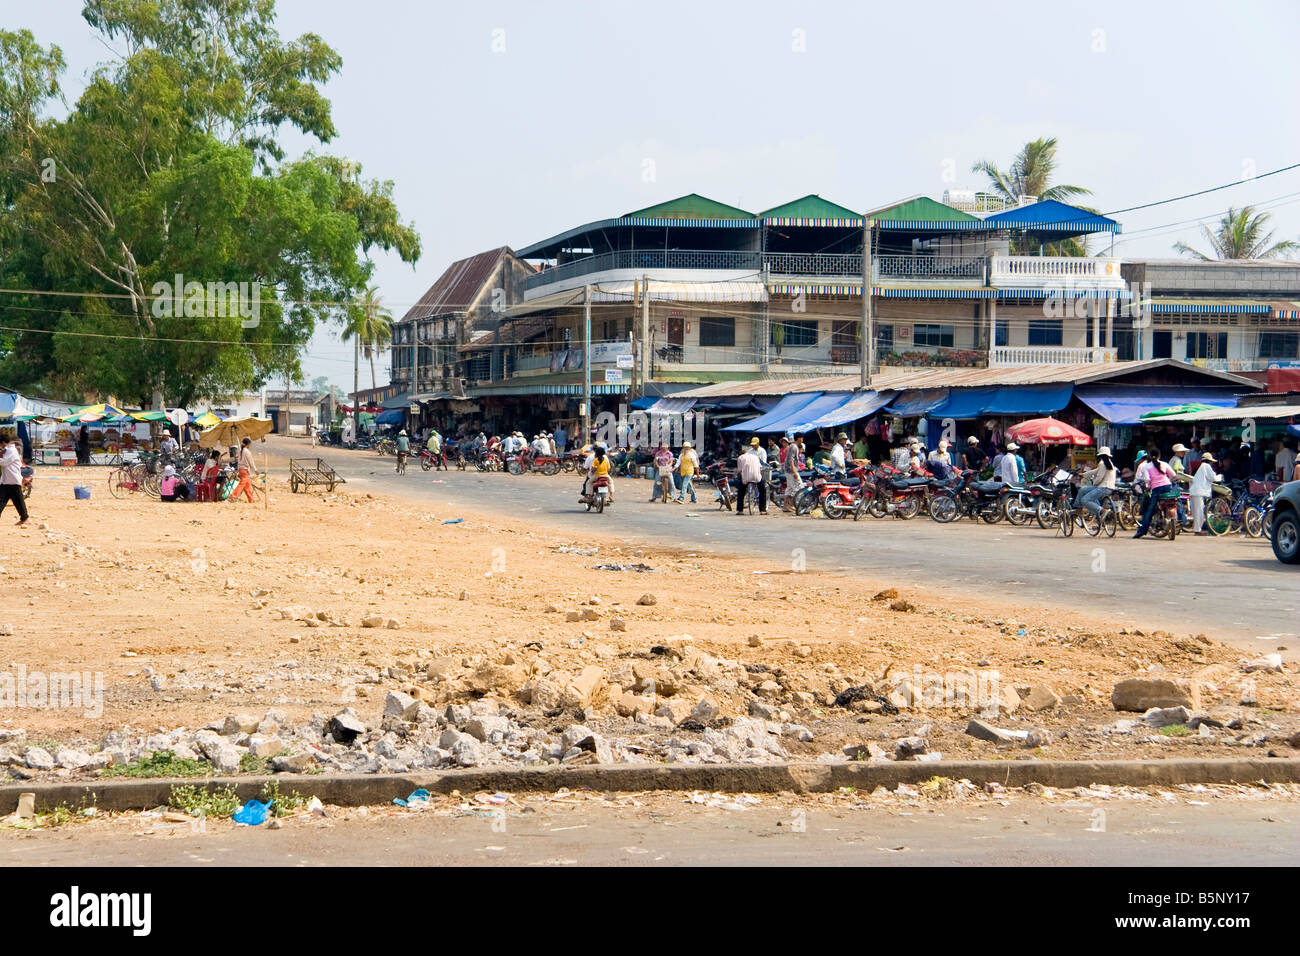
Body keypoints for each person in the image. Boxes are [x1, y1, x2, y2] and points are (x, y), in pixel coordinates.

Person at [1133, 447, 1178, 539]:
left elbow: (1147, 479)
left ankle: (1141, 531)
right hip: (1167, 487)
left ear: (1150, 456)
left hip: (1156, 489)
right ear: (1159, 455)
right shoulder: (1164, 464)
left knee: (1149, 511)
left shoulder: (1147, 466)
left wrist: (1149, 487)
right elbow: (1173, 475)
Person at [1077, 446, 1117, 516]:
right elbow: (1095, 471)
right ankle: (1079, 508)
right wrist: (1084, 474)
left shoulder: (1102, 463)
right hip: (1108, 488)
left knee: (1084, 500)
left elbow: (1099, 477)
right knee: (1082, 490)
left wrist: (1094, 483)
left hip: (1103, 488)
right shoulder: (1109, 463)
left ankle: (1101, 510)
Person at [1188, 452, 1221, 535]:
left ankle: (1197, 529)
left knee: (1196, 512)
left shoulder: (1198, 466)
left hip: (1193, 491)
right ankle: (1198, 530)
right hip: (1199, 492)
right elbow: (1213, 478)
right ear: (1209, 461)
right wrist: (1220, 476)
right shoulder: (1206, 466)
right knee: (1199, 512)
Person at [0, 439, 29, 526]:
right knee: (12, 501)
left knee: (18, 501)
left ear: (3, 442)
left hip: (12, 480)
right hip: (7, 480)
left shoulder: (11, 451)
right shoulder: (7, 450)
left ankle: (24, 518)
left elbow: (3, 462)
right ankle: (24, 518)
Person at [736, 441, 766, 515]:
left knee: (741, 492)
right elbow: (760, 467)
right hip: (756, 477)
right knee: (762, 490)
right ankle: (762, 510)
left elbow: (739, 470)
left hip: (746, 478)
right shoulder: (755, 457)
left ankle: (740, 510)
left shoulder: (740, 458)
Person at [228, 437, 258, 504]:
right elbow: (251, 462)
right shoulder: (247, 451)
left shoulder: (239, 451)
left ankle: (251, 499)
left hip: (240, 470)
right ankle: (232, 496)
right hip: (244, 470)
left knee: (247, 486)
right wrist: (255, 470)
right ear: (248, 444)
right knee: (241, 485)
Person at [782, 433, 805, 512]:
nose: (802, 440)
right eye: (801, 438)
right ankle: (790, 504)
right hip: (790, 470)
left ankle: (787, 505)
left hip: (791, 470)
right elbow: (790, 460)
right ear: (798, 438)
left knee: (790, 488)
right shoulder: (793, 447)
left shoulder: (794, 447)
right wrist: (794, 472)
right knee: (796, 487)